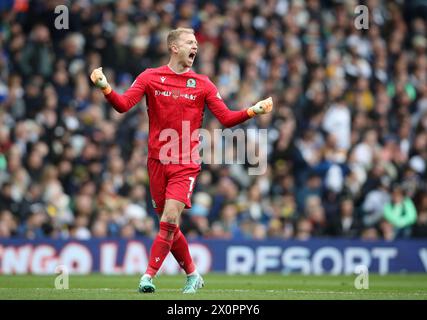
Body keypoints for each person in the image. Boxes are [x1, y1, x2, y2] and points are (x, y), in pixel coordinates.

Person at [89, 28, 273, 294]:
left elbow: (226, 118)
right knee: (168, 225)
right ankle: (193, 274)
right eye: (190, 42)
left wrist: (252, 110)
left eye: (196, 43)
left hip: (185, 162)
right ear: (174, 47)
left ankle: (148, 276)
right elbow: (123, 104)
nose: (195, 47)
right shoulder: (150, 77)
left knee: (170, 218)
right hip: (156, 161)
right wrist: (105, 87)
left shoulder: (203, 84)